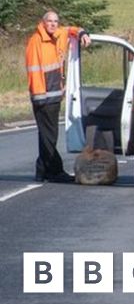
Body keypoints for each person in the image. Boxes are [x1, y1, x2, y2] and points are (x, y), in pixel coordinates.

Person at [25, 10, 90, 183]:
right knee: (50, 135)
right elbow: (34, 71)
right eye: (50, 21)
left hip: (55, 96)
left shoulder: (59, 34)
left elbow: (71, 30)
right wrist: (39, 97)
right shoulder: (36, 41)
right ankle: (55, 171)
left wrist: (82, 34)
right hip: (43, 97)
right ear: (43, 22)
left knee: (47, 134)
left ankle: (42, 170)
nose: (53, 24)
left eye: (56, 21)